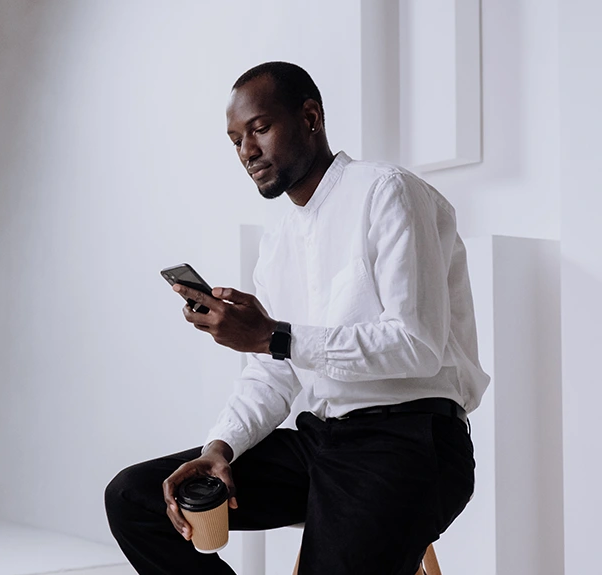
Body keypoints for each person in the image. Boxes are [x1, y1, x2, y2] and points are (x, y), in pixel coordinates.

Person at [105, 61, 490, 575]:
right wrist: (219, 448)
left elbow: (415, 344)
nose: (247, 151)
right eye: (235, 139)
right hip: (320, 443)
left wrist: (274, 336)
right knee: (135, 498)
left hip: (408, 444)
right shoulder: (279, 242)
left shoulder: (388, 192)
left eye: (259, 128)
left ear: (310, 117)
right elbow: (273, 371)